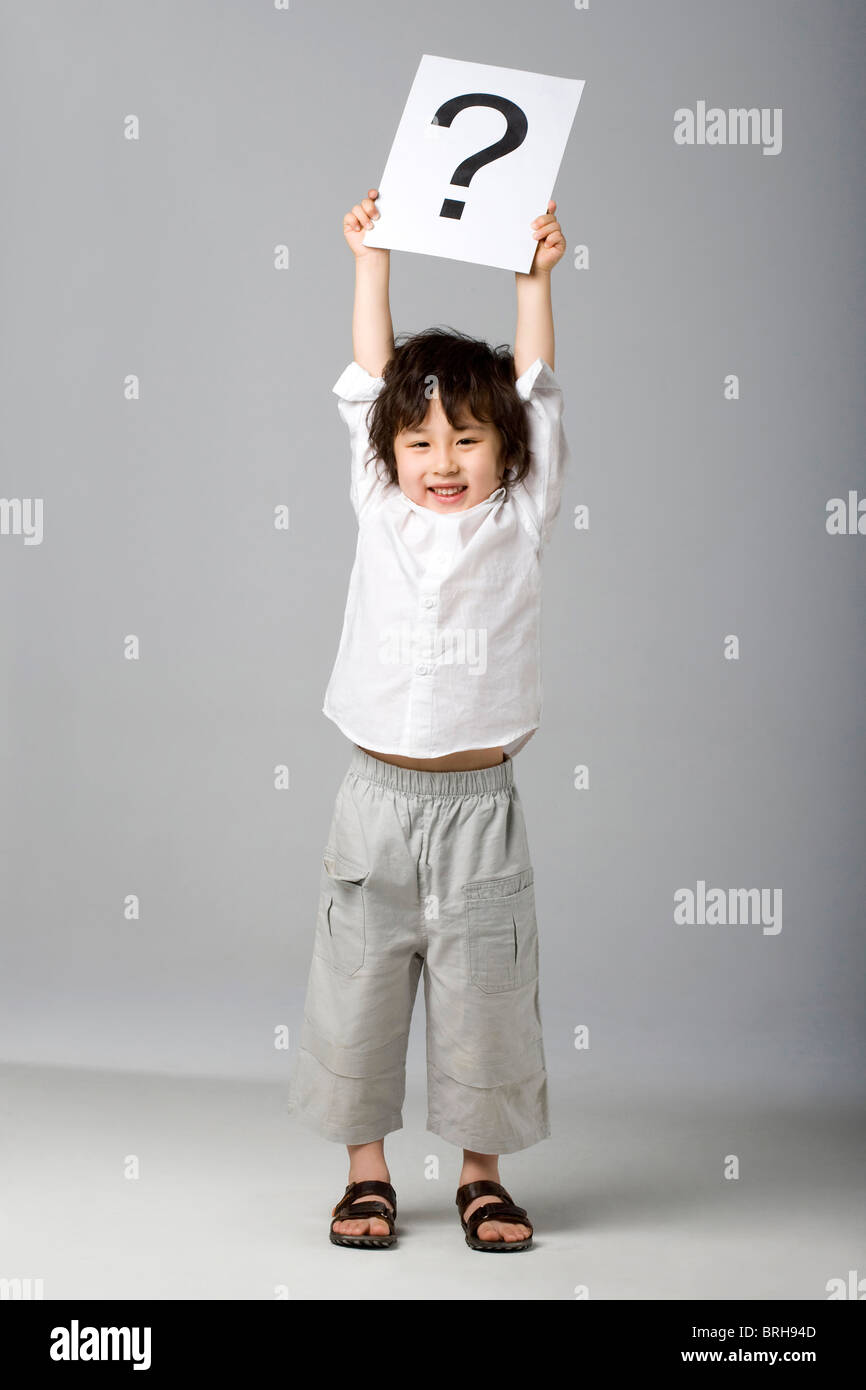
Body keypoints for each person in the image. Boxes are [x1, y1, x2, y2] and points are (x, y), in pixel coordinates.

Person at [287, 187, 570, 1251]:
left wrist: (531, 282)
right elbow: (368, 380)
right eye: (419, 442)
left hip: (478, 804)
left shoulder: (519, 513)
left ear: (504, 454)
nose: (442, 462)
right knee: (357, 984)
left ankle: (479, 1177)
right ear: (389, 454)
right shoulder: (380, 507)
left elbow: (535, 391)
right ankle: (366, 1174)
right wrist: (372, 264)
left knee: (485, 994)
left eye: (465, 441)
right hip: (377, 800)